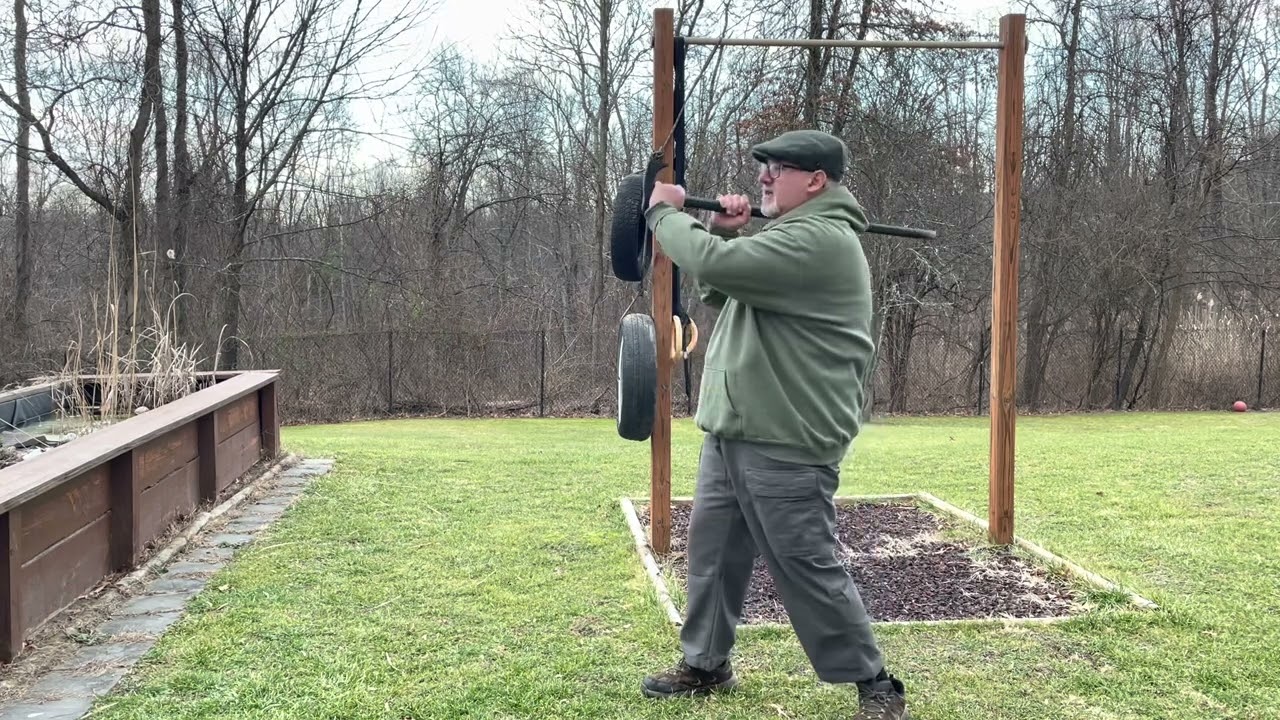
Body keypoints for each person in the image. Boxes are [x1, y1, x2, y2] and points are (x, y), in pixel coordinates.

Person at [637, 129, 910, 719]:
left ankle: (876, 684)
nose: (762, 176)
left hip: (787, 435)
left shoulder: (822, 240)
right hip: (737, 428)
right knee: (712, 554)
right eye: (761, 167)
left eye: (777, 168)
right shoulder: (791, 234)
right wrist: (720, 230)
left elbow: (708, 264)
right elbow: (724, 283)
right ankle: (706, 663)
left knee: (804, 561)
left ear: (815, 180)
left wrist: (665, 212)